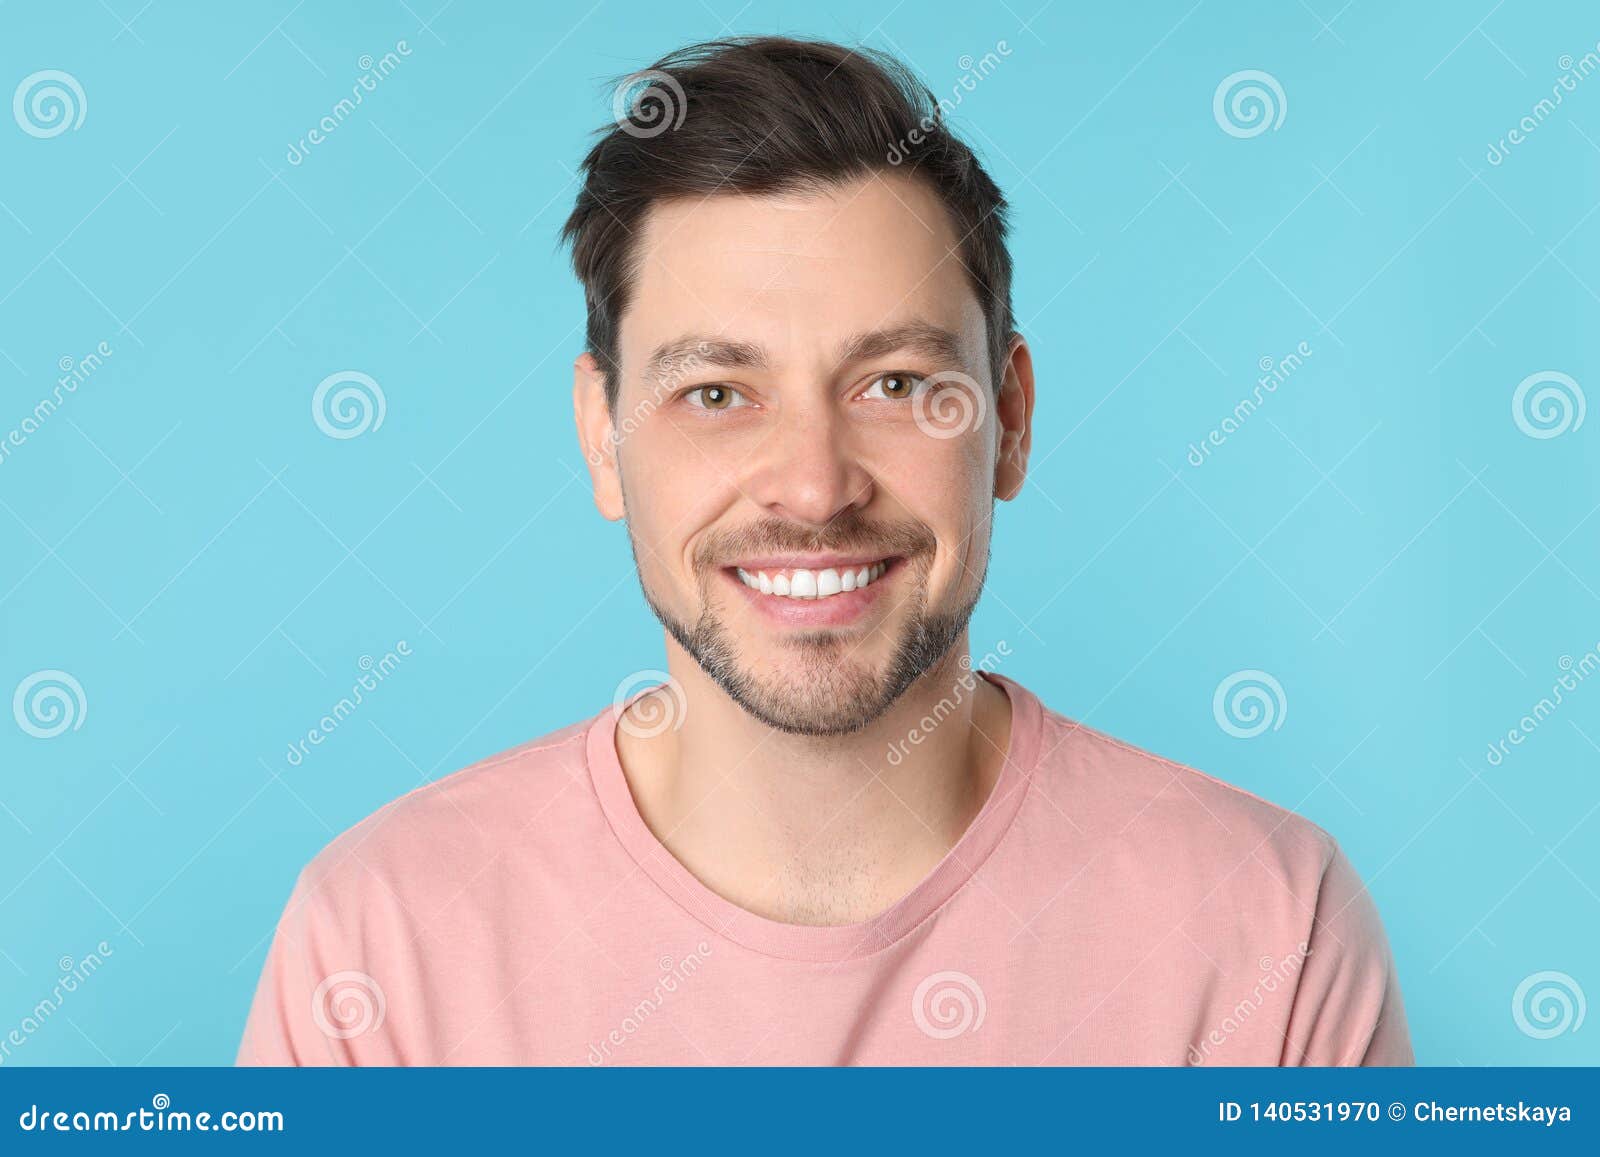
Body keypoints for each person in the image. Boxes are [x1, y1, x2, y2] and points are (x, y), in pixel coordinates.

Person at [238, 35, 1411, 1066]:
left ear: (1009, 417)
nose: (813, 485)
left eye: (893, 383)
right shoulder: (378, 942)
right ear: (603, 437)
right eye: (715, 392)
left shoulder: (1271, 928)